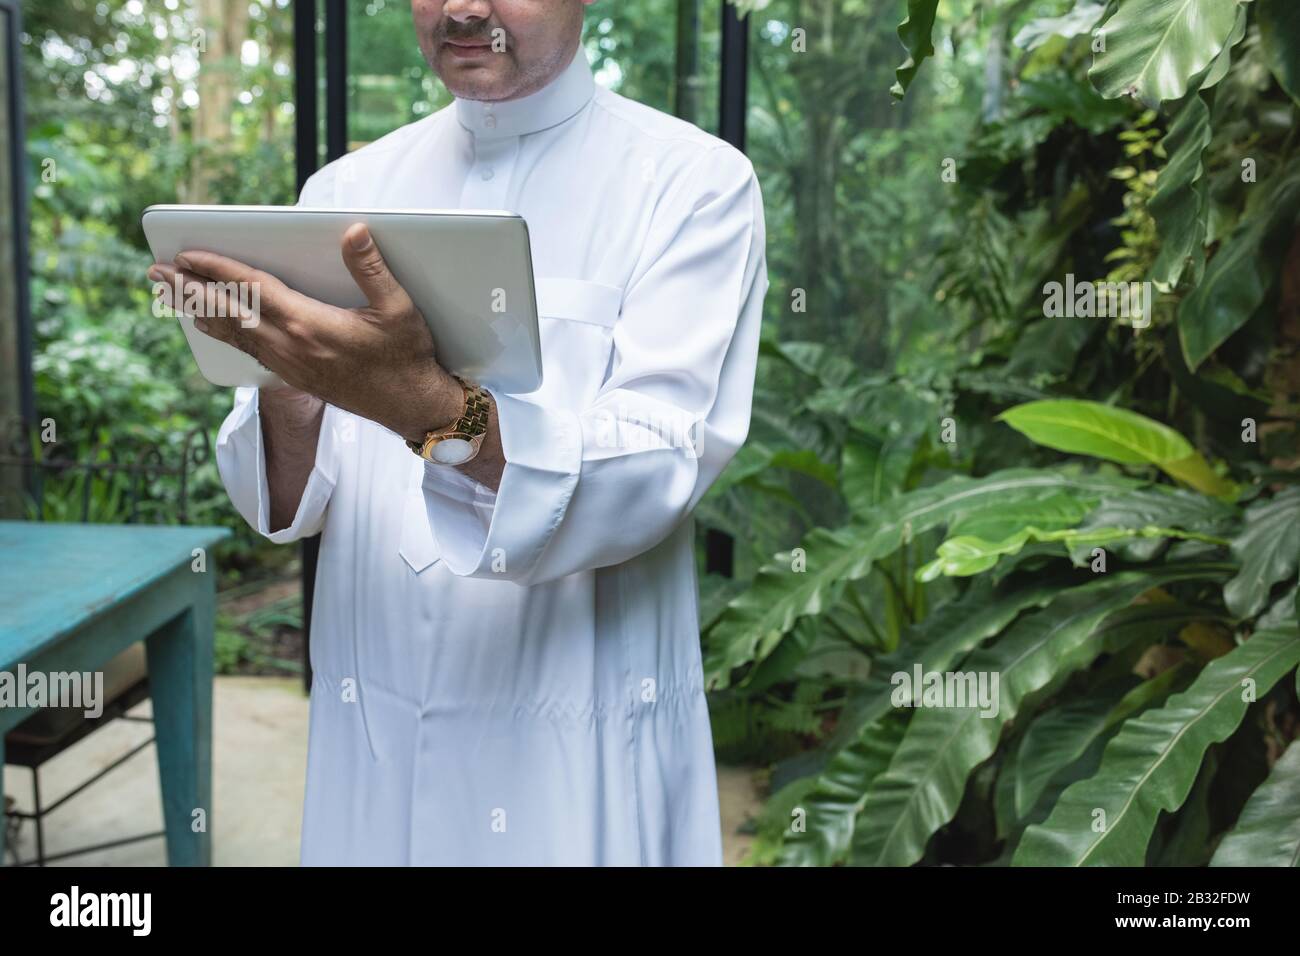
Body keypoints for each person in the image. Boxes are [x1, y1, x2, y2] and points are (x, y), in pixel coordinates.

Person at [147, 0, 767, 865]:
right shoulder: (341, 194)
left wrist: (430, 408)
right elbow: (285, 502)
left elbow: (656, 467)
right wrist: (290, 380)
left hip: (572, 734)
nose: (465, 8)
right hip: (374, 721)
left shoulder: (691, 183)